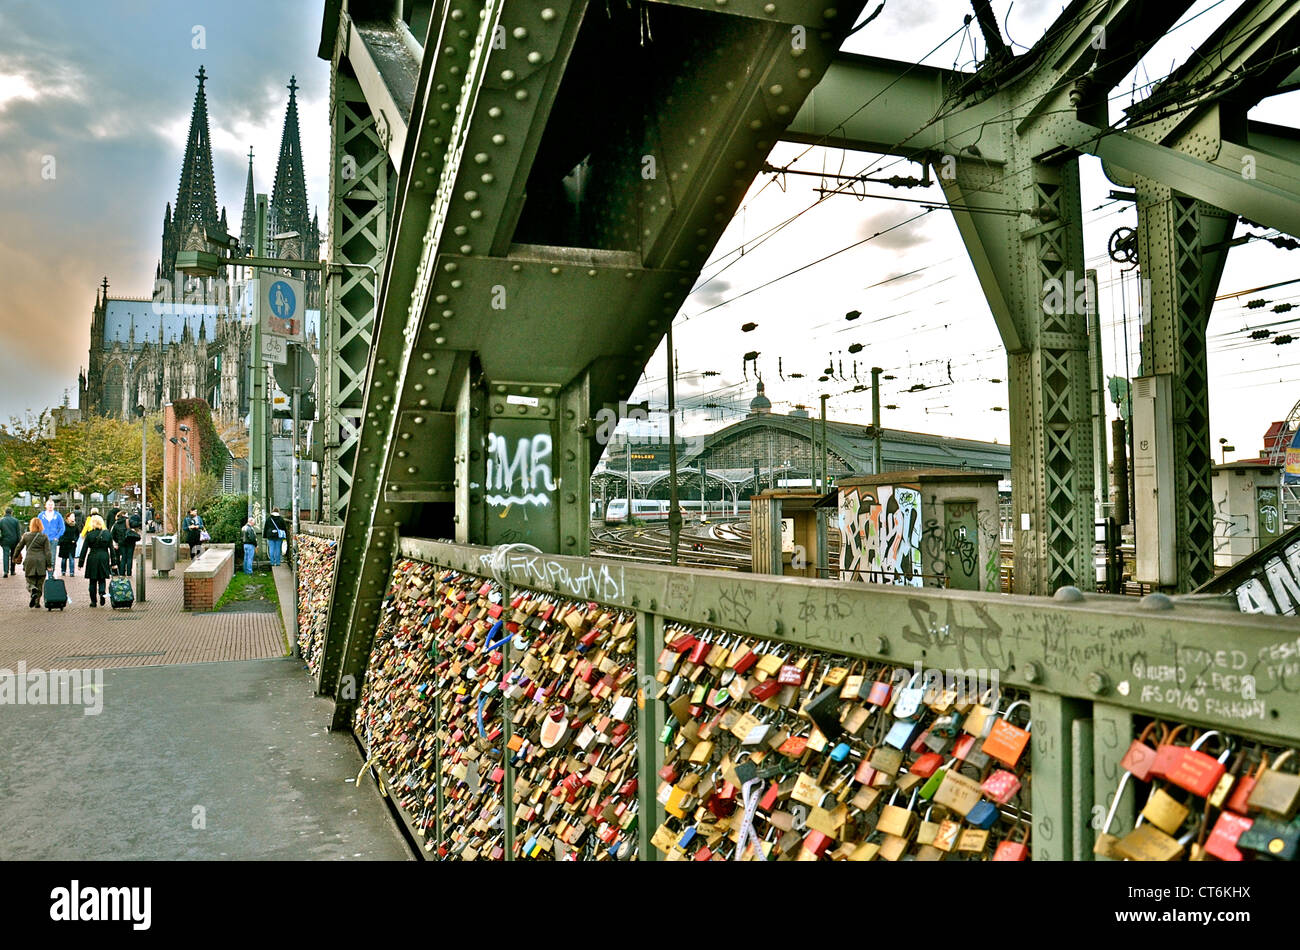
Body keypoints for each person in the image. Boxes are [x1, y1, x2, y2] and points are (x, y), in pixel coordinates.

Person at [14, 517, 52, 608]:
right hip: (41, 562)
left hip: (30, 561)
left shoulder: (26, 536)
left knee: (29, 580)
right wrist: (49, 564)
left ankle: (32, 589)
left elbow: (19, 547)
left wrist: (15, 556)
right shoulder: (44, 537)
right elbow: (48, 552)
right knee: (40, 582)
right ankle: (37, 602)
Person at [78, 514, 113, 607]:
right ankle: (102, 593)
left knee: (92, 580)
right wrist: (114, 563)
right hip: (104, 557)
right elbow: (112, 549)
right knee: (102, 579)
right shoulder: (107, 534)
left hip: (93, 557)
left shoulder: (89, 535)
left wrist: (80, 563)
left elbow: (84, 549)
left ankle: (93, 601)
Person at [38, 498, 65, 564]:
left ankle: (51, 573)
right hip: (43, 538)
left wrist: (57, 537)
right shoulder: (41, 515)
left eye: (52, 505)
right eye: (49, 505)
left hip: (53, 539)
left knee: (52, 557)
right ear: (45, 506)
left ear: (54, 506)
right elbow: (36, 526)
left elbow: (62, 527)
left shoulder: (58, 515)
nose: (50, 506)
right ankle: (43, 573)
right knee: (42, 556)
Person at [0, 507, 21, 578]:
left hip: (5, 540)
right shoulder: (15, 521)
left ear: (5, 512)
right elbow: (18, 532)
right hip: (14, 541)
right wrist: (19, 542)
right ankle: (12, 571)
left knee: (5, 556)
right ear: (11, 512)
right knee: (13, 556)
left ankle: (5, 571)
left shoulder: (1, 521)